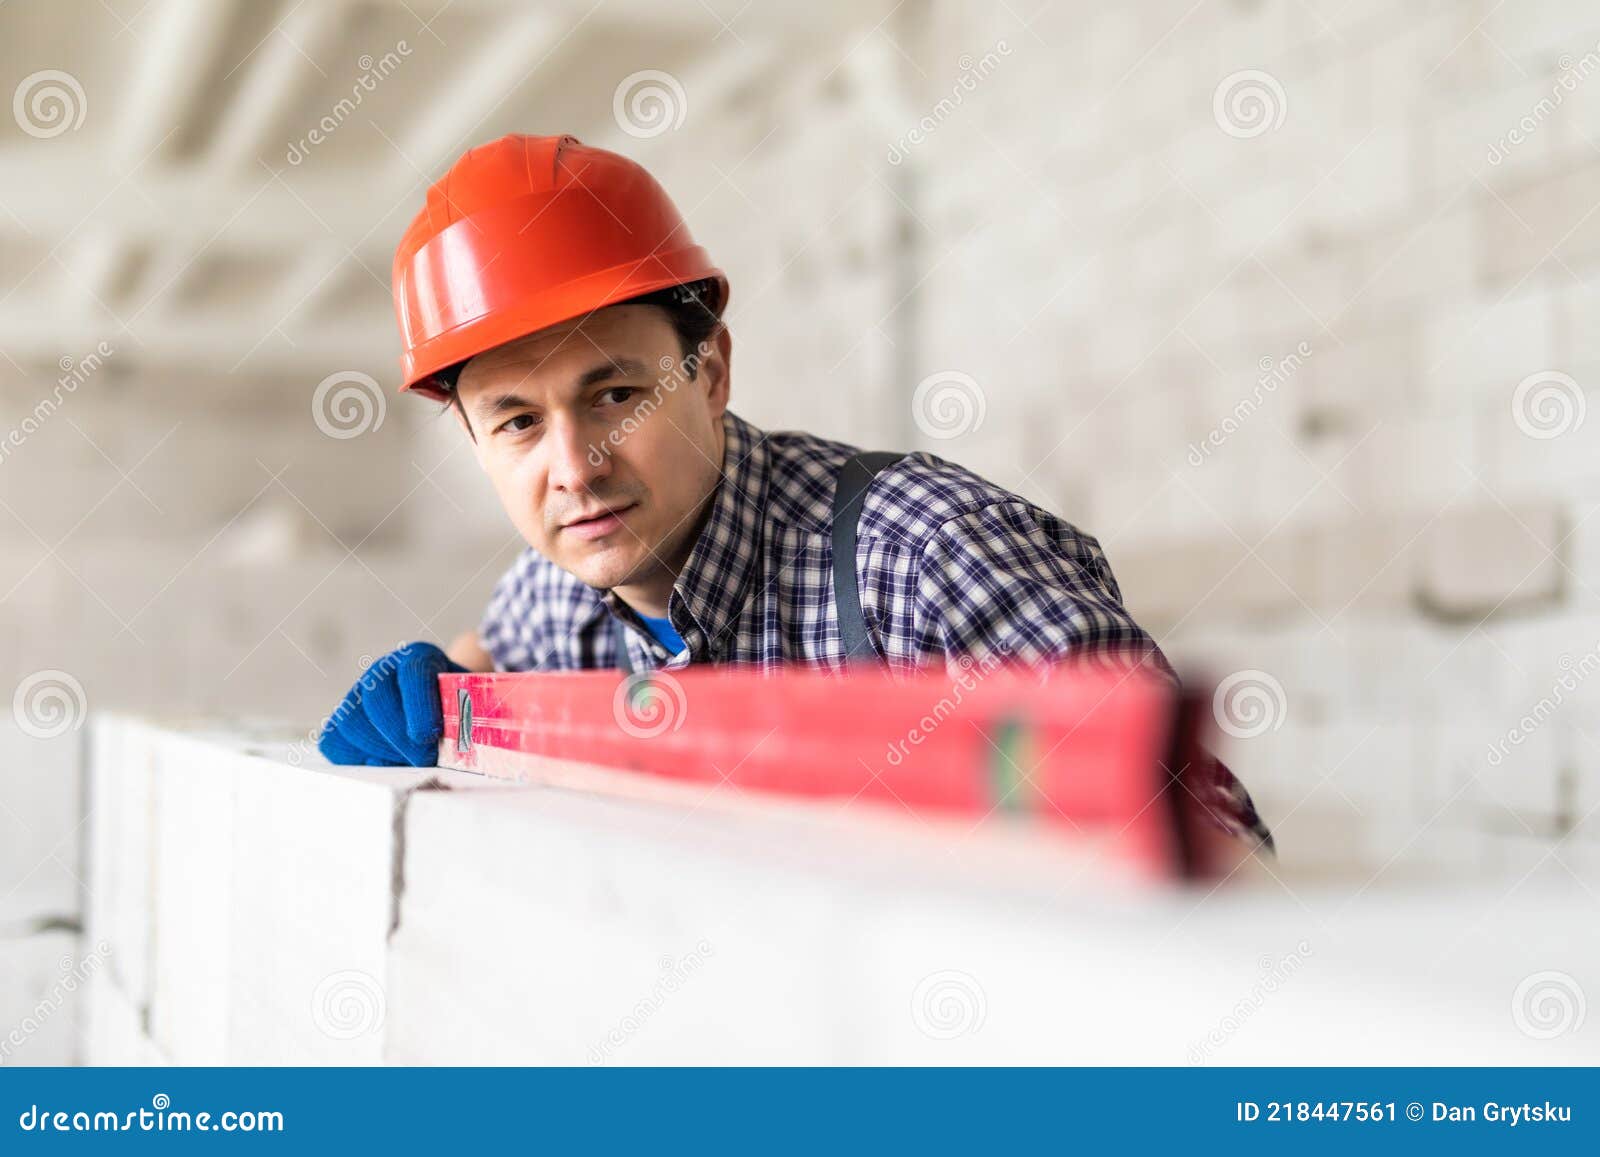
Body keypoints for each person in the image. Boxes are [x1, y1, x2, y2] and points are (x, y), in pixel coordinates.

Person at [318, 134, 1271, 849]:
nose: (575, 467)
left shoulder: (924, 559)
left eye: (614, 395)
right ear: (477, 442)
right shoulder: (554, 592)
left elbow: (1218, 846)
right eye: (519, 422)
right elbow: (493, 646)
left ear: (711, 373)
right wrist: (438, 681)